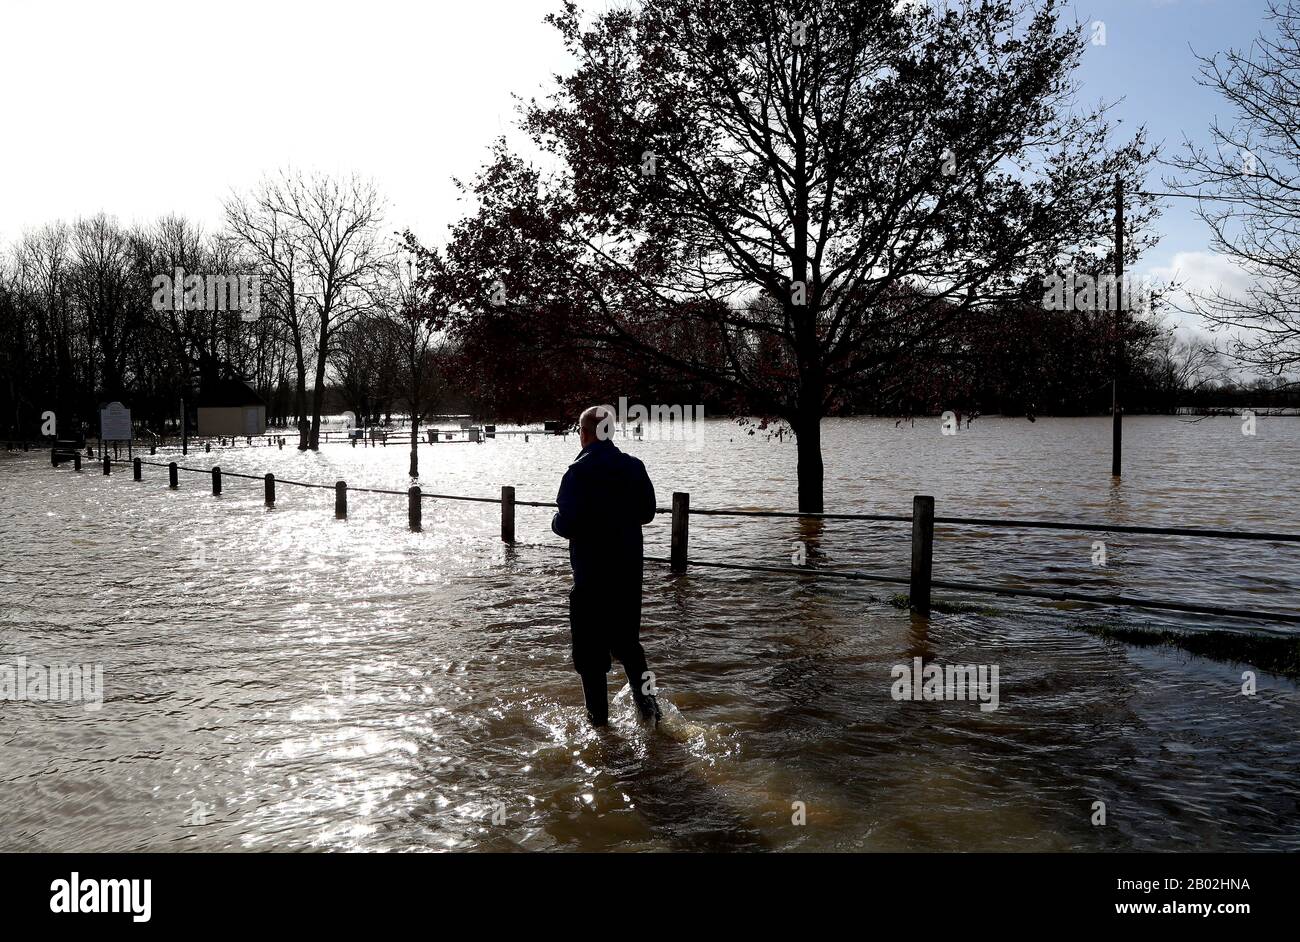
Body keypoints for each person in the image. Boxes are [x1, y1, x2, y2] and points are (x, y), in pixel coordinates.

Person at [552, 405, 661, 727]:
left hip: (591, 576)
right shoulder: (634, 467)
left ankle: (599, 724)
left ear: (585, 434)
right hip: (628, 573)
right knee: (630, 646)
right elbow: (647, 514)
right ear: (610, 433)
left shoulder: (577, 473)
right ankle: (650, 709)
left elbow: (567, 524)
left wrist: (555, 522)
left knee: (590, 657)